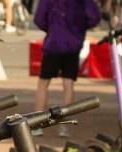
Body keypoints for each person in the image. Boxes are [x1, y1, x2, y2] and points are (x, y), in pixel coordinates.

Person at [31, 0, 101, 135]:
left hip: (53, 42)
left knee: (43, 82)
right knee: (68, 83)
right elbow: (94, 17)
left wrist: (51, 27)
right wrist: (80, 27)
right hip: (73, 43)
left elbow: (39, 18)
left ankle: (37, 124)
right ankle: (63, 125)